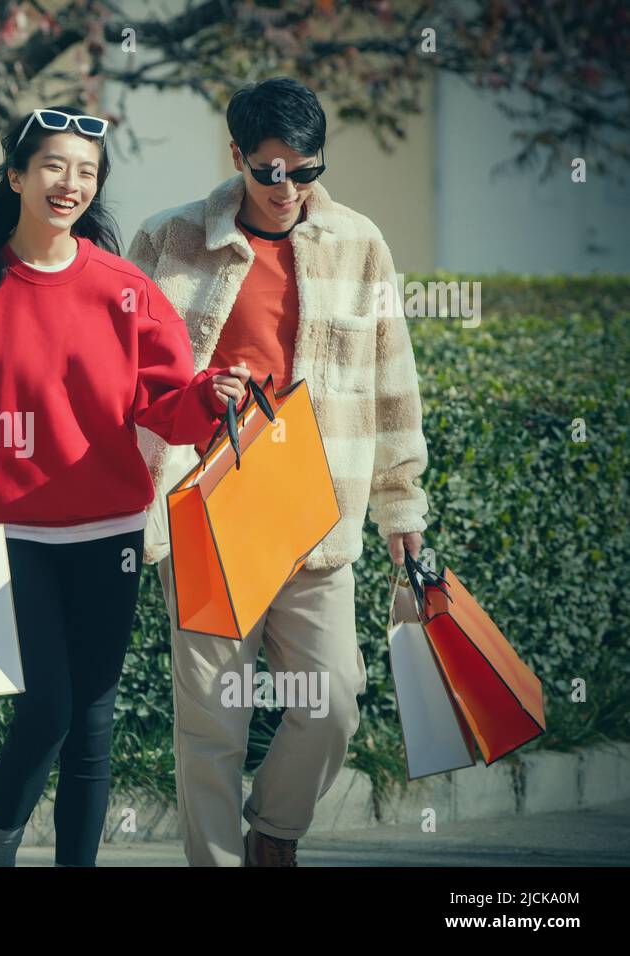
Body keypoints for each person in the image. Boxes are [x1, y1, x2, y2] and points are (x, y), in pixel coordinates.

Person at [0, 106, 248, 867]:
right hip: (9, 532)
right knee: (46, 708)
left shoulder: (126, 288)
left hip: (107, 532)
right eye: (51, 166)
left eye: (85, 171)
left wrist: (212, 396)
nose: (68, 183)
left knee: (93, 718)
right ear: (14, 176)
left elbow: (167, 406)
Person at [129, 76, 431, 866]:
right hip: (211, 510)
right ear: (237, 158)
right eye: (269, 171)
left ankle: (275, 831)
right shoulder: (171, 238)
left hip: (314, 514)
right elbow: (125, 376)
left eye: (305, 170)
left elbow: (392, 382)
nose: (288, 188)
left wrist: (404, 512)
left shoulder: (359, 243)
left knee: (333, 703)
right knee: (212, 722)